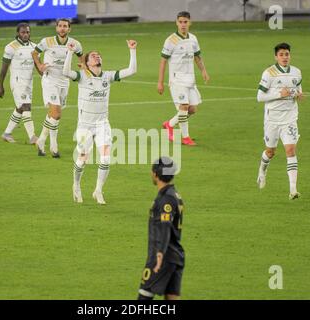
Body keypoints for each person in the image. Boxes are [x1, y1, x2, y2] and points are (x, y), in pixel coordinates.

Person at [63, 40, 137, 204]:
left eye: (99, 55)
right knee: (83, 157)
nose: (97, 57)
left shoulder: (108, 76)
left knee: (105, 158)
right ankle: (76, 185)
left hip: (102, 124)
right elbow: (66, 72)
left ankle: (98, 190)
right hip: (85, 125)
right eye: (93, 56)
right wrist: (69, 52)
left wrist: (132, 50)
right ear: (87, 63)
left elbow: (132, 70)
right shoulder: (82, 76)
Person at [256, 42, 303, 200]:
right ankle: (262, 171)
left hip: (290, 118)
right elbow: (260, 97)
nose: (284, 57)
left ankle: (293, 190)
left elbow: (298, 90)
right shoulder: (269, 73)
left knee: (290, 150)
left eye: (287, 54)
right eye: (281, 55)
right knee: (270, 152)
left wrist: (298, 95)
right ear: (276, 57)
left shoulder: (296, 72)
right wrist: (279, 94)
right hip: (272, 119)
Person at [32, 18, 83, 158]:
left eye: (65, 26)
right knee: (56, 114)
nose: (62, 28)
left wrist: (81, 66)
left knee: (53, 114)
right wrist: (40, 65)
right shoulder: (47, 41)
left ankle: (41, 141)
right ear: (56, 28)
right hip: (50, 80)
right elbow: (34, 53)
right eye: (60, 26)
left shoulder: (75, 44)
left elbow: (81, 57)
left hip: (64, 81)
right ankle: (54, 146)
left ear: (69, 29)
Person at [158, 11, 210, 146]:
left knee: (192, 109)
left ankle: (169, 124)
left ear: (190, 23)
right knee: (184, 106)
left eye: (185, 22)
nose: (183, 25)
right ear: (176, 23)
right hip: (177, 80)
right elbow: (163, 61)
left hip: (190, 80)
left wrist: (203, 71)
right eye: (180, 22)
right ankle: (186, 138)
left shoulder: (193, 38)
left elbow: (197, 57)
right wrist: (160, 82)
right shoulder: (171, 40)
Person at [137, 157, 184, 300]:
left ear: (156, 174)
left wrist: (159, 255)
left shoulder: (166, 200)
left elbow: (165, 227)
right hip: (176, 256)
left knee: (143, 299)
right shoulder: (175, 195)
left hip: (162, 257)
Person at [0, 22, 38, 144]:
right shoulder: (11, 47)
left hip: (29, 83)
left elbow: (38, 65)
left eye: (27, 32)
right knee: (26, 107)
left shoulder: (35, 47)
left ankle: (7, 133)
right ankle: (33, 137)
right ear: (18, 33)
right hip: (17, 82)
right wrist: (0, 85)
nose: (26, 34)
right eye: (23, 32)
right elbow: (4, 67)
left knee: (20, 108)